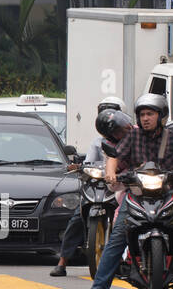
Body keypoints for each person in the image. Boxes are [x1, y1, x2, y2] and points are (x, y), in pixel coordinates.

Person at [84, 92, 173, 289]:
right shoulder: (131, 137)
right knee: (117, 236)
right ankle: (98, 288)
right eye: (142, 114)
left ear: (161, 116)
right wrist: (110, 172)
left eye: (150, 114)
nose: (145, 118)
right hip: (136, 194)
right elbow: (115, 157)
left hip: (168, 193)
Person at [51, 106, 132, 276]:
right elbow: (89, 163)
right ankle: (62, 261)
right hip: (100, 184)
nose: (121, 131)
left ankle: (126, 259)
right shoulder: (99, 143)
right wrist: (81, 168)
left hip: (124, 185)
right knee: (78, 216)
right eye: (116, 130)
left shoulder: (134, 138)